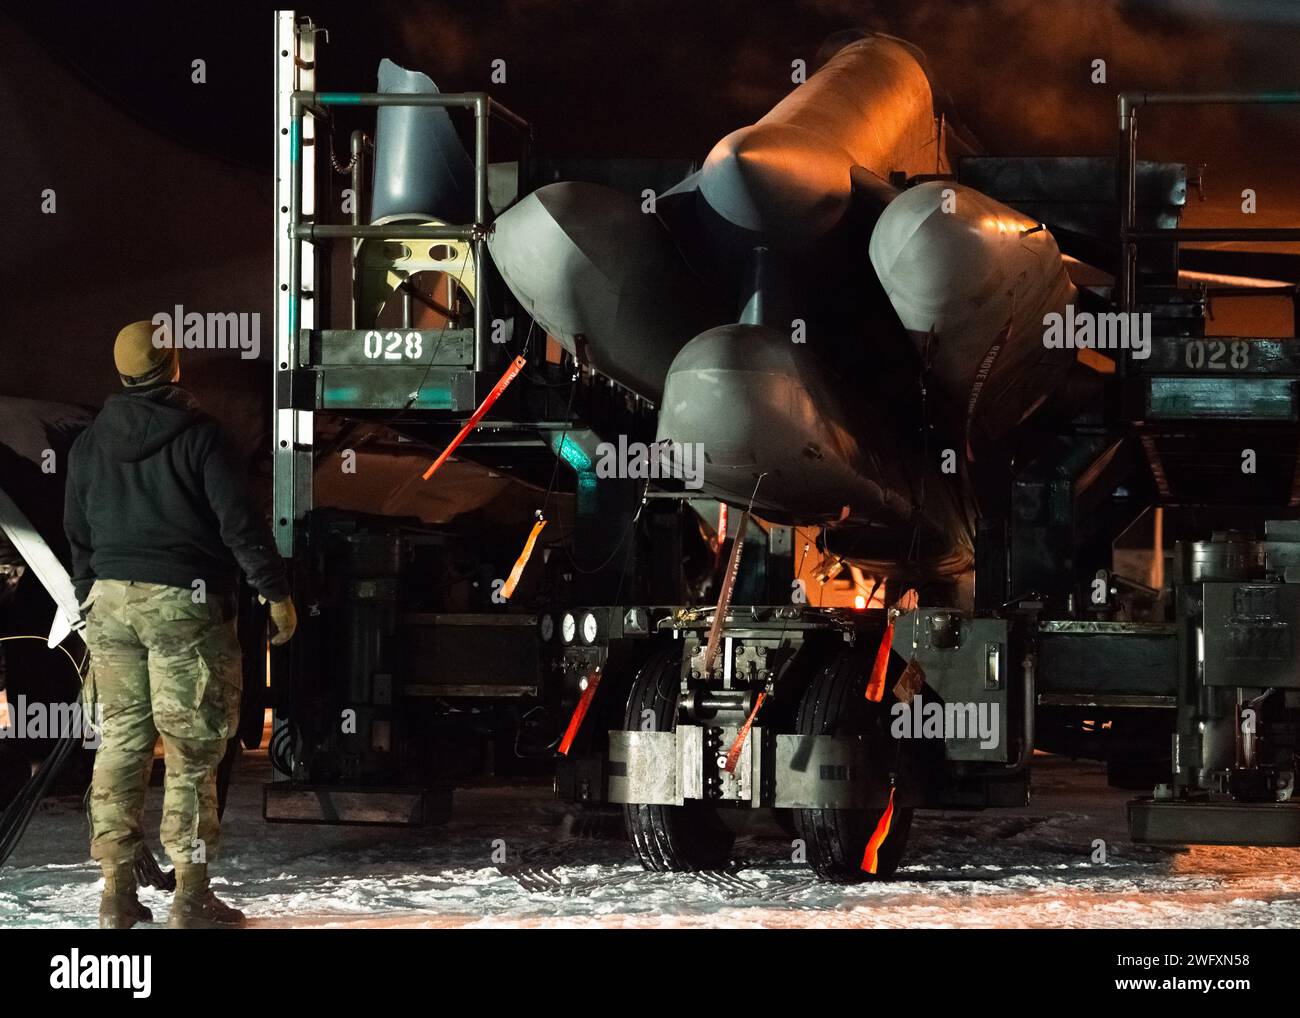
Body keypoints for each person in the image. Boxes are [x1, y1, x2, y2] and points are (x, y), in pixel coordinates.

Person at [65, 320, 297, 929]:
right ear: (173, 368)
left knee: (120, 744)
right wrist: (275, 595)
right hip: (181, 608)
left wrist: (91, 597)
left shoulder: (88, 443)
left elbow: (78, 535)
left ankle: (115, 894)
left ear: (119, 375)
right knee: (192, 752)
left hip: (109, 606)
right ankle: (190, 896)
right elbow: (240, 528)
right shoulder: (203, 437)